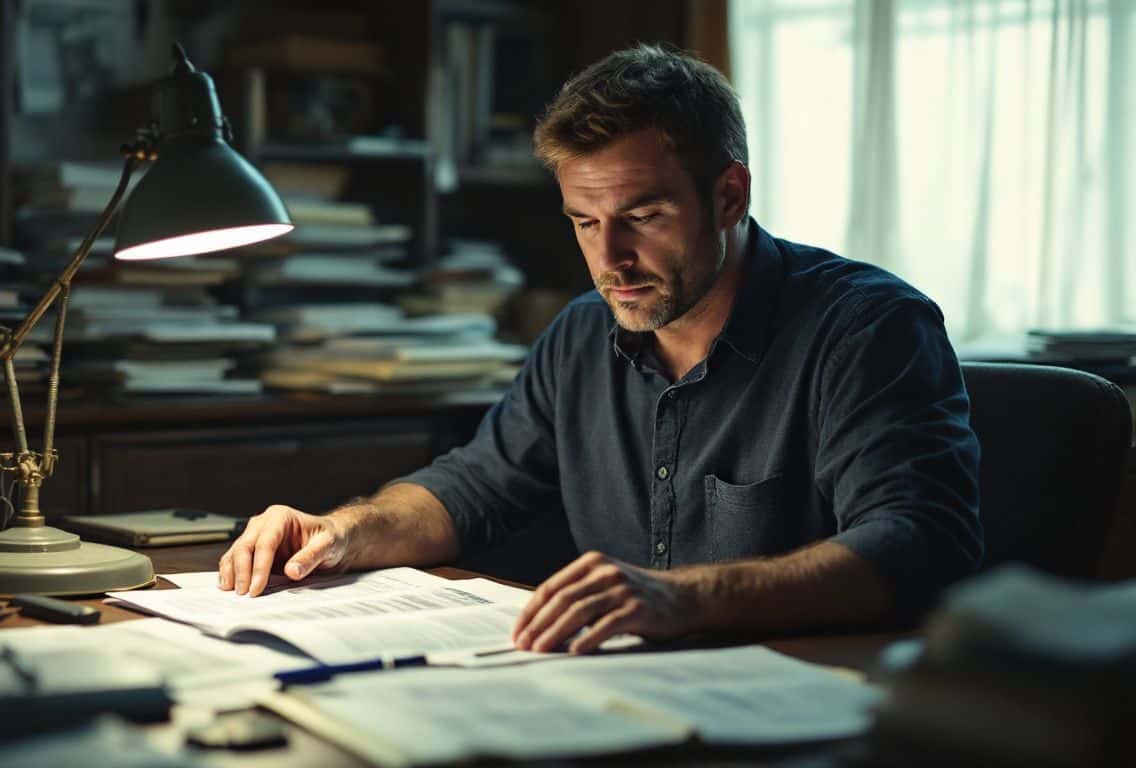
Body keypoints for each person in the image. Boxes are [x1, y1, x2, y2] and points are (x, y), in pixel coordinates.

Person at [219, 44, 983, 654]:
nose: (609, 258)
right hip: (620, 699)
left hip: (814, 705)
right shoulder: (584, 333)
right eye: (584, 222)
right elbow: (474, 487)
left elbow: (920, 544)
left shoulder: (867, 328)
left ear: (730, 196)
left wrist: (686, 596)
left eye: (642, 215)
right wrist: (342, 531)